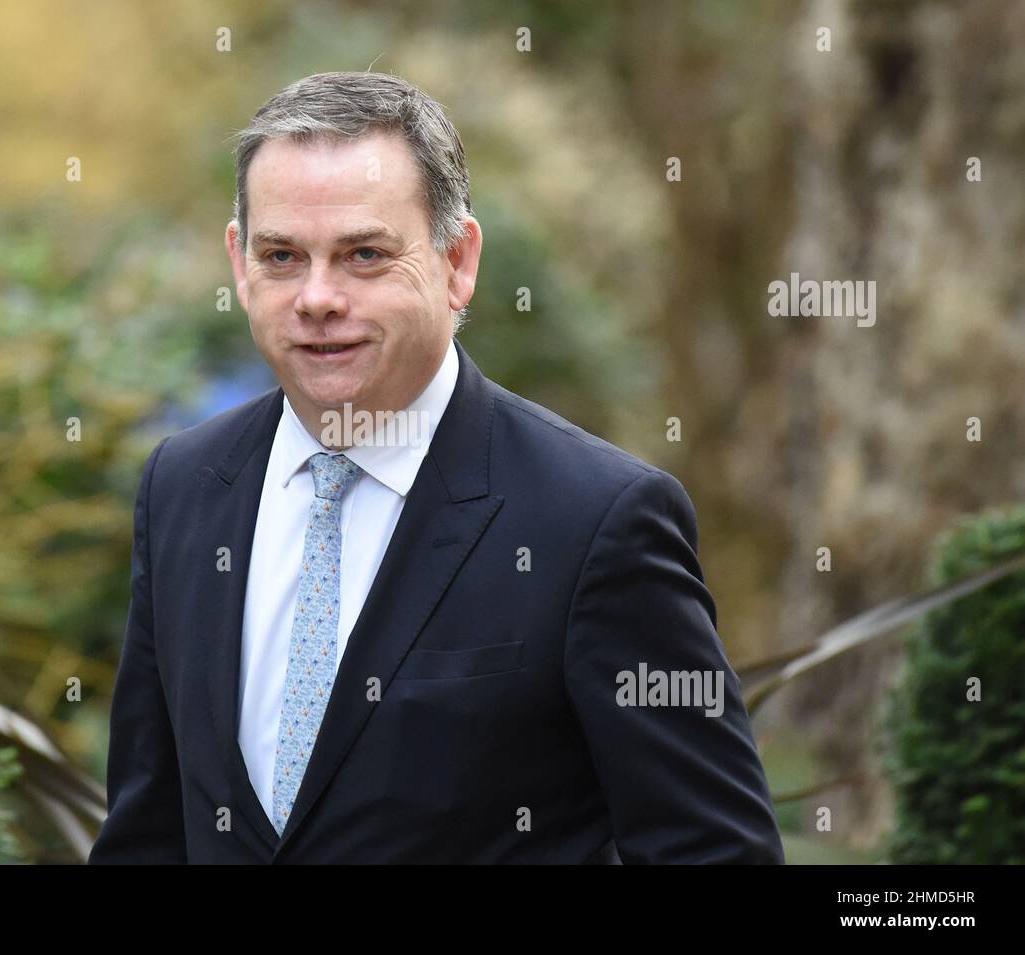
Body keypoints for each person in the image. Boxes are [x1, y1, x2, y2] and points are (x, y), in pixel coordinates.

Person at [88, 71, 784, 864]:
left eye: (363, 255)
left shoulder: (595, 521)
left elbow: (714, 853)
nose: (317, 297)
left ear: (458, 261)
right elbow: (146, 835)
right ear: (239, 264)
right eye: (282, 255)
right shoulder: (182, 486)